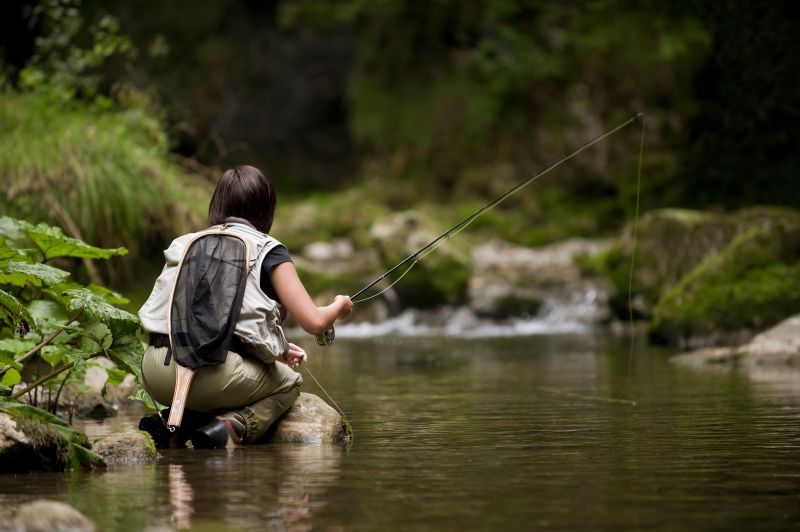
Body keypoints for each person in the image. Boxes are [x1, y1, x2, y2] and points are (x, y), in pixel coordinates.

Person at [137, 165, 353, 448]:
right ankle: (231, 428)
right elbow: (313, 321)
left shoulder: (183, 243)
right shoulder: (269, 249)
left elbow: (207, 317)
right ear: (266, 210)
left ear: (217, 205)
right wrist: (339, 306)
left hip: (156, 371)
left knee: (221, 380)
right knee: (289, 382)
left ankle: (175, 425)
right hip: (210, 377)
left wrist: (282, 349)